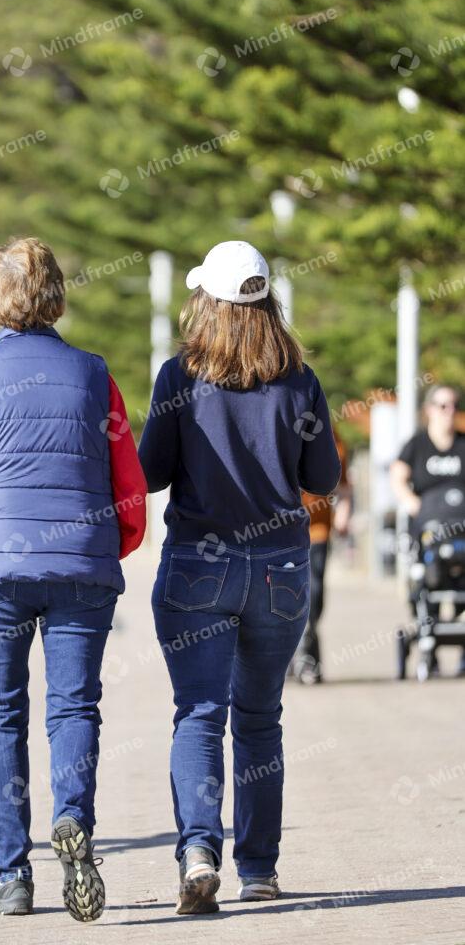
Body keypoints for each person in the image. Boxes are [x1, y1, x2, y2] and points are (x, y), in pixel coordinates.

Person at [0, 237, 147, 922]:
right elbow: (127, 481)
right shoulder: (94, 375)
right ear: (56, 298)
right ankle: (73, 821)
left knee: (2, 716)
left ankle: (12, 874)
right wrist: (115, 544)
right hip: (81, 561)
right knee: (74, 708)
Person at [138, 241, 340, 915]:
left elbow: (149, 475)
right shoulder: (300, 380)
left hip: (198, 563)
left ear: (207, 302)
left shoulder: (177, 377)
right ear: (266, 304)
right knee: (260, 721)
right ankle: (258, 869)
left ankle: (199, 851)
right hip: (280, 567)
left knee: (198, 714)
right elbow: (321, 480)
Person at [390, 383, 465, 674]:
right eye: (443, 406)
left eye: (455, 406)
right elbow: (398, 476)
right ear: (430, 410)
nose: (450, 412)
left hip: (460, 532)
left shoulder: (462, 444)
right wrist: (413, 504)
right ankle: (429, 647)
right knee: (427, 581)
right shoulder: (417, 445)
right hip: (428, 531)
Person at [293, 429, 351, 684]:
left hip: (316, 529)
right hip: (276, 529)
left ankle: (306, 654)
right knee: (282, 595)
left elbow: (344, 481)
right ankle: (297, 656)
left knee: (314, 594)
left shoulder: (328, 432)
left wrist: (344, 511)